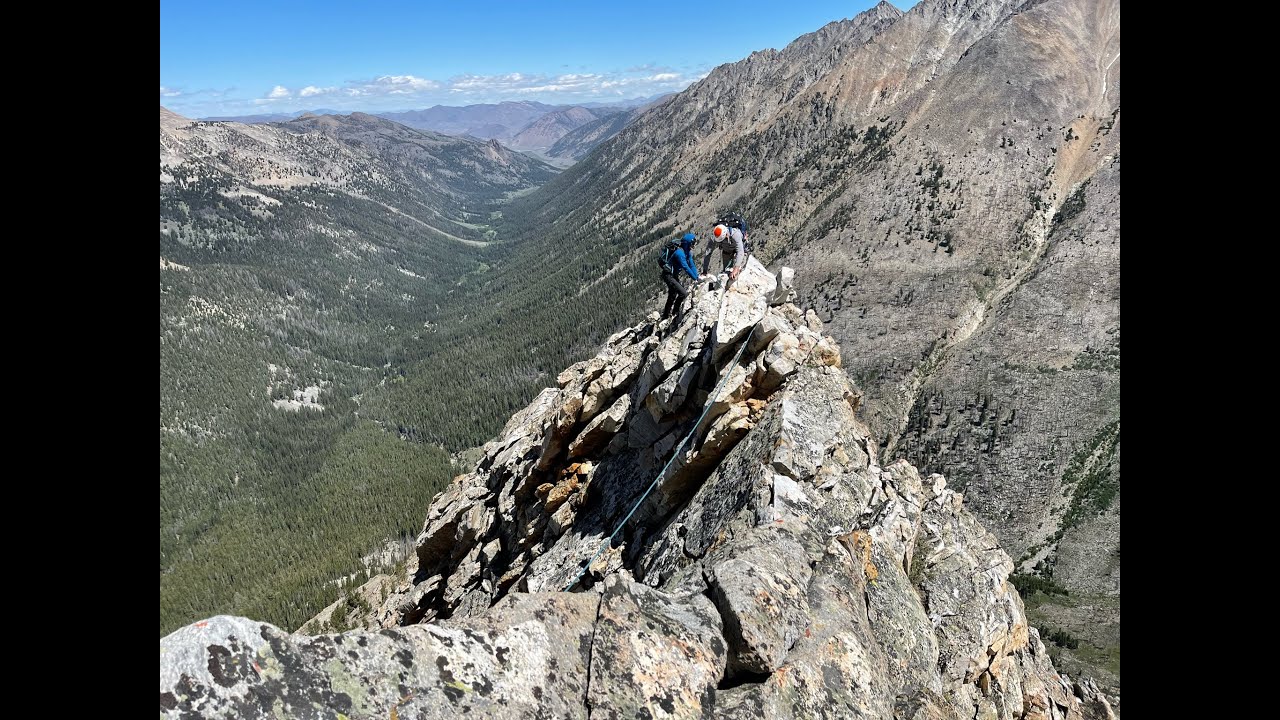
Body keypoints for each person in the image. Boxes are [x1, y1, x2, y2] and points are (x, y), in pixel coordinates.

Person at [660, 232, 701, 320]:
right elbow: (686, 267)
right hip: (668, 275)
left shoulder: (687, 252)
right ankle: (674, 312)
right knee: (683, 293)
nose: (693, 246)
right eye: (692, 244)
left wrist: (697, 277)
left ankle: (666, 315)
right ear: (687, 243)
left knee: (673, 293)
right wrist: (695, 279)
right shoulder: (680, 253)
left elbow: (692, 265)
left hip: (672, 274)